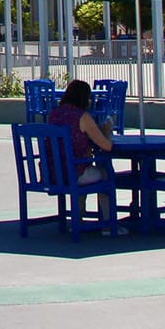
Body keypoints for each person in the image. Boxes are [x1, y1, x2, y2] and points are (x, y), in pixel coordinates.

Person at [47, 78, 120, 226]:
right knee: (105, 174)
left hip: (52, 172)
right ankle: (108, 224)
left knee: (85, 171)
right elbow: (106, 146)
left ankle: (77, 218)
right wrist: (106, 131)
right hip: (73, 172)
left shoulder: (54, 114)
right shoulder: (83, 117)